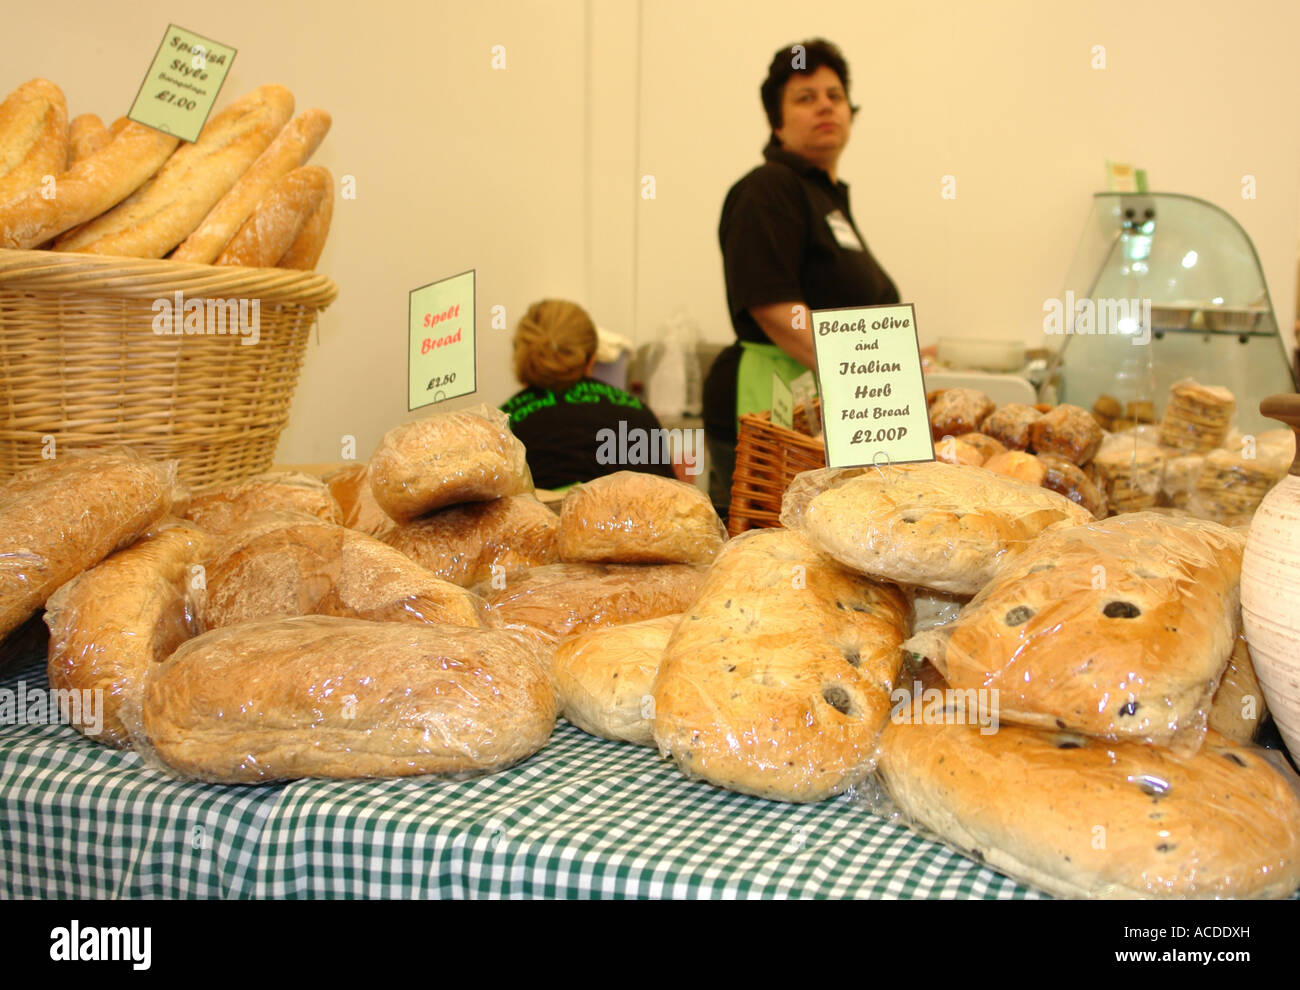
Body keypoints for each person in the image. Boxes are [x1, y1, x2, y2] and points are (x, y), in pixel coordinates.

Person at [703, 38, 900, 516]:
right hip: (776, 405)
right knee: (769, 555)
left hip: (832, 409)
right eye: (805, 98)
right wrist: (873, 373)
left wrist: (904, 355)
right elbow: (773, 309)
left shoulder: (828, 199)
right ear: (777, 120)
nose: (824, 106)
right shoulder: (768, 187)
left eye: (833, 95)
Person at [501, 299, 680, 490]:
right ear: (591, 359)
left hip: (534, 520)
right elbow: (671, 503)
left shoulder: (500, 426)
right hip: (632, 518)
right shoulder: (638, 414)